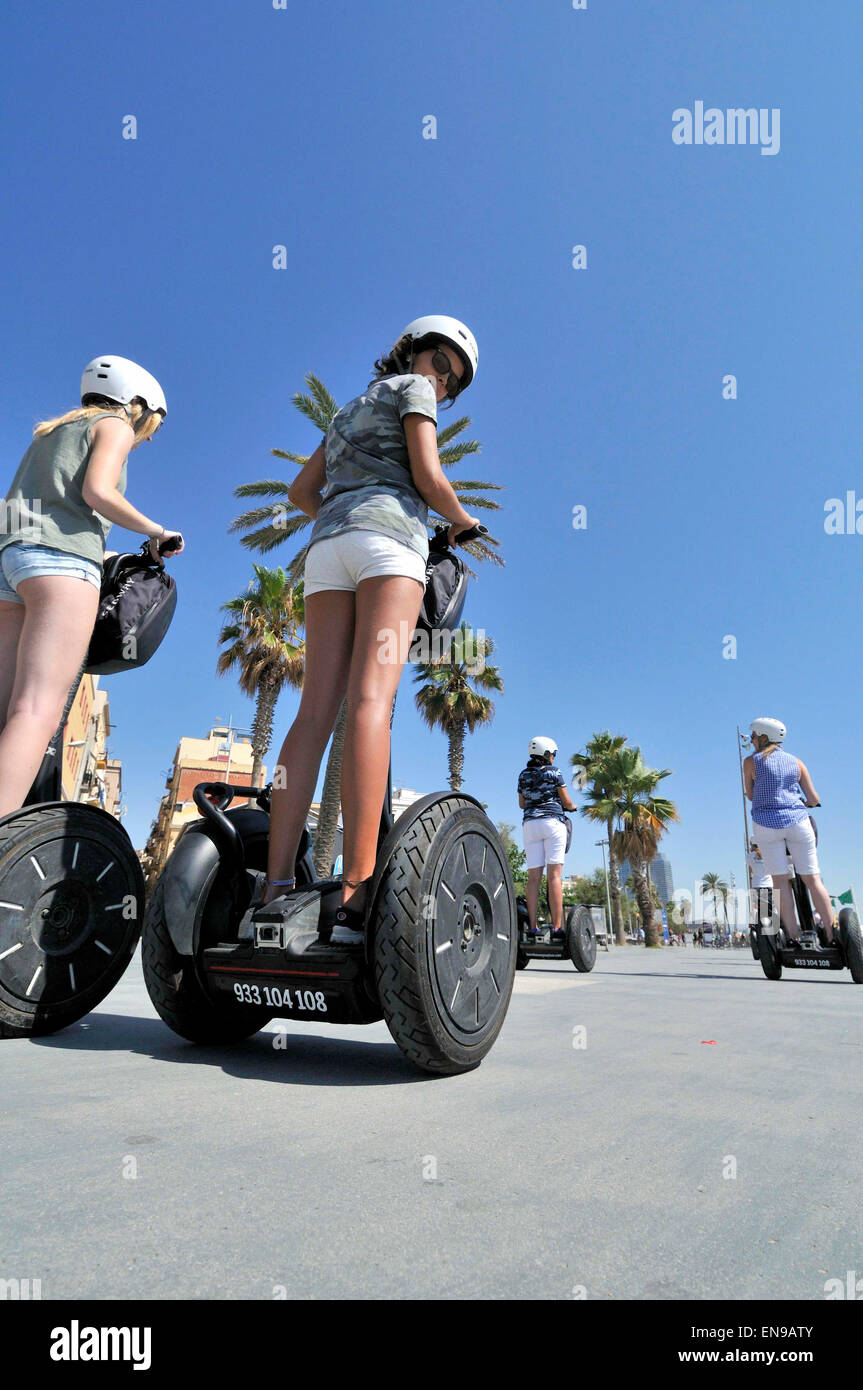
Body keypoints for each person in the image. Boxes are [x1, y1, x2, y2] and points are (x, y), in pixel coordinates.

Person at [257, 316, 482, 946]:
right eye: (442, 365)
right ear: (414, 353)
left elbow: (304, 491)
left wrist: (343, 509)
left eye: (454, 383)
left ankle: (274, 889)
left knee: (311, 714)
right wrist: (461, 522)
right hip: (390, 549)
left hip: (328, 550)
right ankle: (355, 891)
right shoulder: (412, 389)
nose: (442, 384)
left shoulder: (348, 411)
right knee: (370, 705)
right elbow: (431, 476)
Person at [0, 356, 183, 817]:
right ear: (135, 403)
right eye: (150, 424)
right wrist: (157, 531)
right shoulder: (114, 426)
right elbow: (98, 493)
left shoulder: (50, 434)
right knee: (35, 711)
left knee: (7, 712)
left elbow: (36, 513)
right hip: (60, 570)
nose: (144, 436)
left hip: (11, 561)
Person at [743, 717, 835, 945]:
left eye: (753, 736)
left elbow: (752, 795)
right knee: (813, 879)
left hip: (766, 825)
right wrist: (808, 803)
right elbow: (813, 798)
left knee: (780, 882)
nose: (752, 740)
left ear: (763, 737)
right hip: (797, 822)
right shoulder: (797, 762)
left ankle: (794, 937)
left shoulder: (750, 763)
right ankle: (834, 936)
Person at [517, 736, 576, 936]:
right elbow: (566, 801)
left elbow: (522, 803)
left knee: (533, 879)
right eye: (553, 754)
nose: (553, 758)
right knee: (554, 877)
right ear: (546, 753)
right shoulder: (554, 772)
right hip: (552, 823)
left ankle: (533, 927)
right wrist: (573, 807)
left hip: (530, 825)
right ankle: (557, 927)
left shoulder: (523, 775)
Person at [746, 838, 773, 931]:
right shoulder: (769, 854)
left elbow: (751, 869)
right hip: (768, 884)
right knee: (767, 910)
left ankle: (753, 924)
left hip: (756, 884)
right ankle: (767, 929)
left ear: (753, 845)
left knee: (756, 906)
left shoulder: (749, 856)